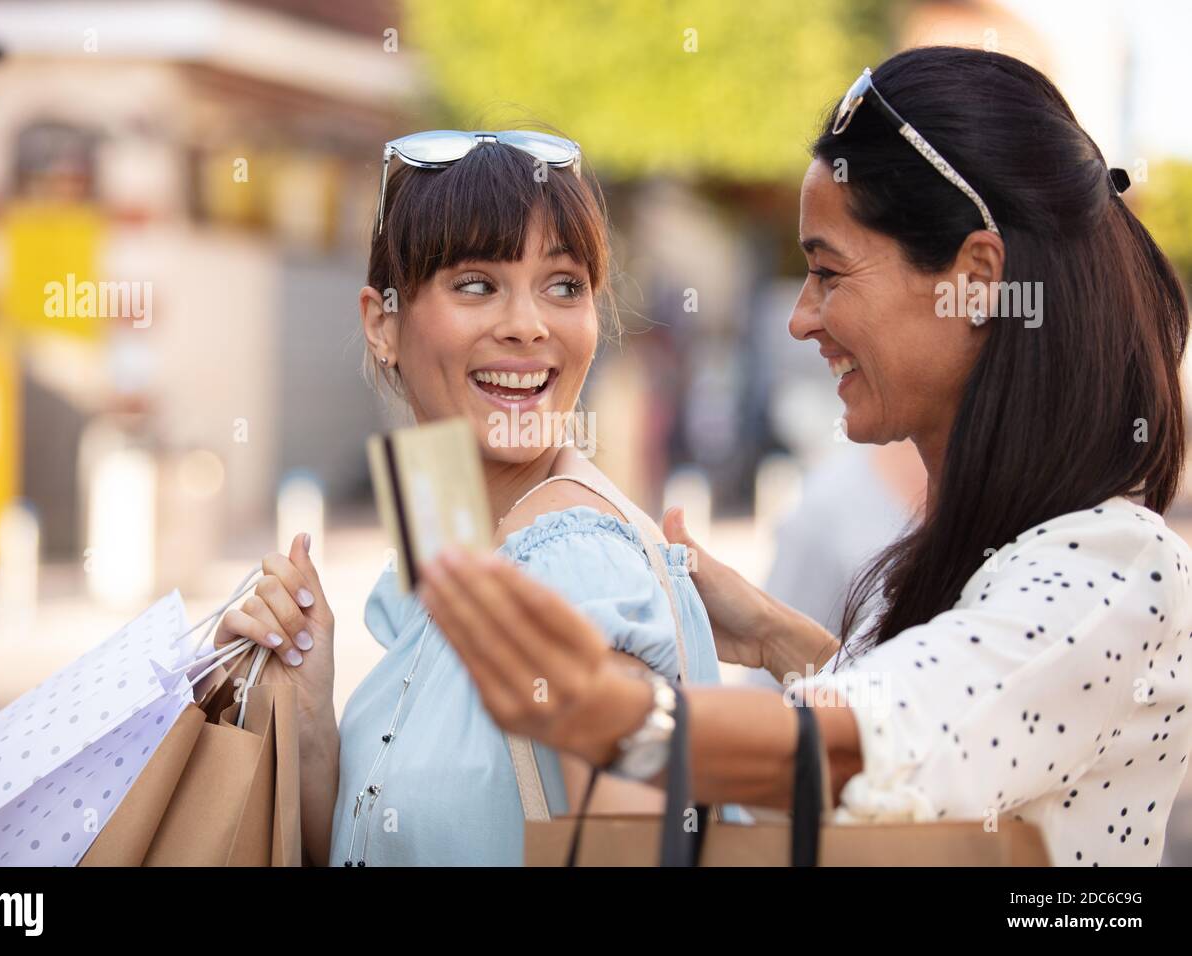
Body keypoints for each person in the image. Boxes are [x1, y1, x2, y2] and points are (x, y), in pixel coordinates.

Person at [417, 48, 1192, 866]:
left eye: (826, 271)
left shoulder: (1114, 572)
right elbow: (953, 719)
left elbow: (861, 751)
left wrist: (602, 714)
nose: (800, 319)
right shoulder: (966, 555)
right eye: (472, 285)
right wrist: (777, 637)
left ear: (975, 278)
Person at [212, 130, 728, 865]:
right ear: (382, 322)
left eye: (563, 285)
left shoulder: (576, 558)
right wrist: (310, 714)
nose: (527, 324)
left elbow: (643, 844)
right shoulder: (440, 531)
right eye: (478, 284)